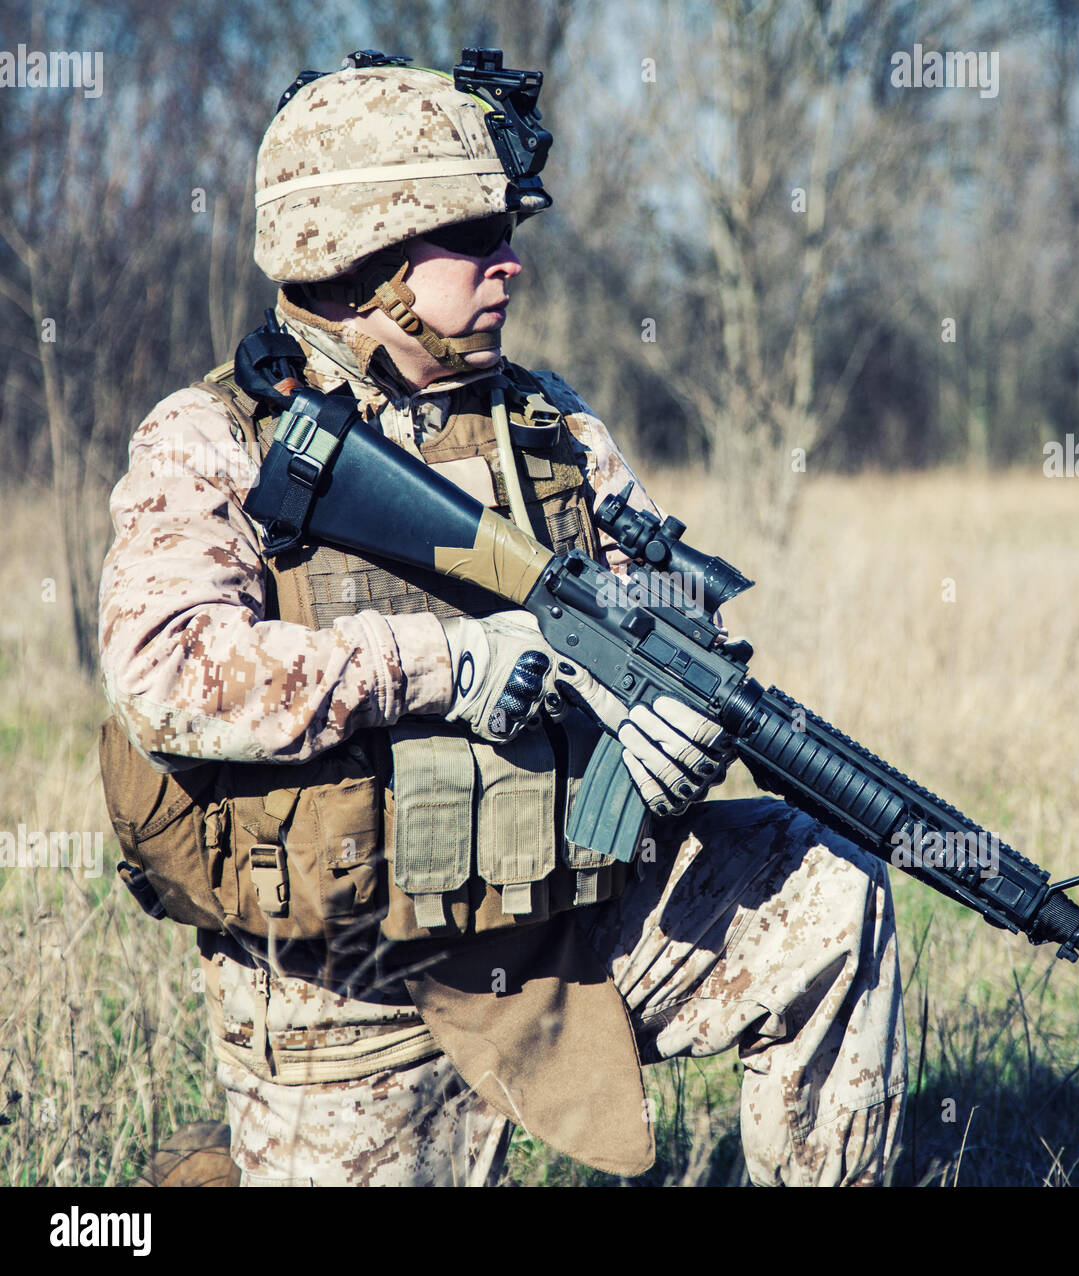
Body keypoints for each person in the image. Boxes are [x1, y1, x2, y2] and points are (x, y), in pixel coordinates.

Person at [98, 49, 906, 1187]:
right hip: (349, 989)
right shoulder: (212, 438)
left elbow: (657, 595)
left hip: (564, 922)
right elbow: (166, 672)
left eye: (506, 228)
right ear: (361, 252)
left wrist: (663, 725)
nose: (509, 262)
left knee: (826, 890)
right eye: (472, 237)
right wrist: (442, 663)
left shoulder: (543, 425)